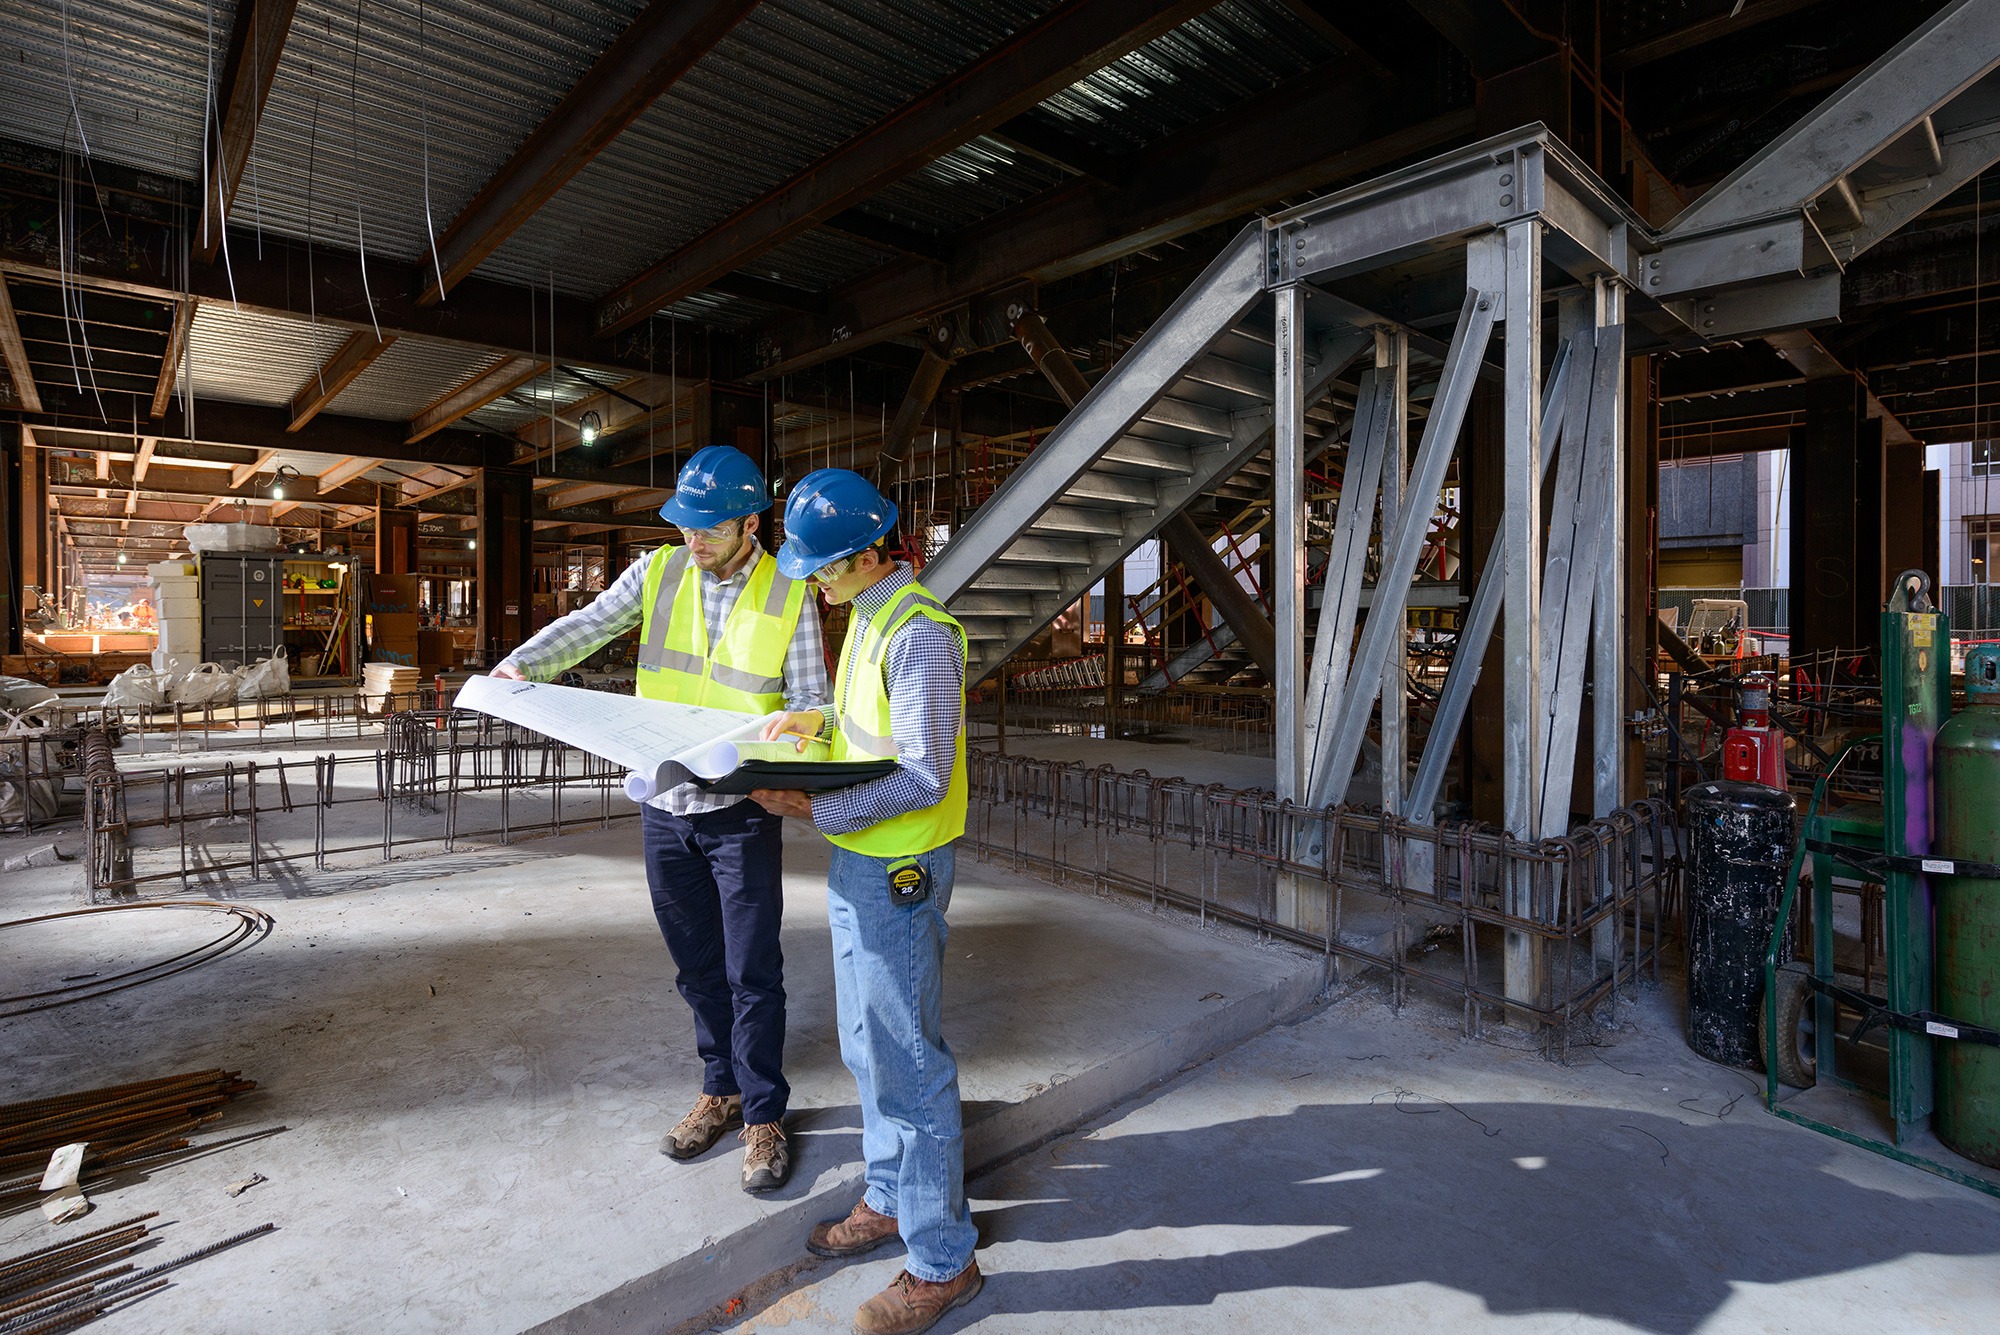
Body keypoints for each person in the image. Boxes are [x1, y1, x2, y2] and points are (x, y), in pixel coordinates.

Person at [491, 446, 825, 1193]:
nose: (693, 539)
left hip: (739, 812)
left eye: (709, 528)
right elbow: (589, 624)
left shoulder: (788, 591)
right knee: (697, 966)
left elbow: (814, 699)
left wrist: (795, 738)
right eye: (685, 526)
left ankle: (765, 1113)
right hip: (665, 806)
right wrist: (520, 666)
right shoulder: (660, 571)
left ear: (750, 521)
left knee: (752, 971)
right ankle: (722, 1089)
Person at [750, 469, 982, 1335]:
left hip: (899, 871)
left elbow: (921, 772)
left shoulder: (920, 633)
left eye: (824, 567)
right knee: (866, 1044)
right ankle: (889, 1195)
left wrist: (815, 805)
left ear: (871, 552)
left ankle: (942, 1258)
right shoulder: (868, 618)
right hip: (859, 862)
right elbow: (866, 731)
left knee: (911, 1063)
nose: (812, 580)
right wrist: (807, 727)